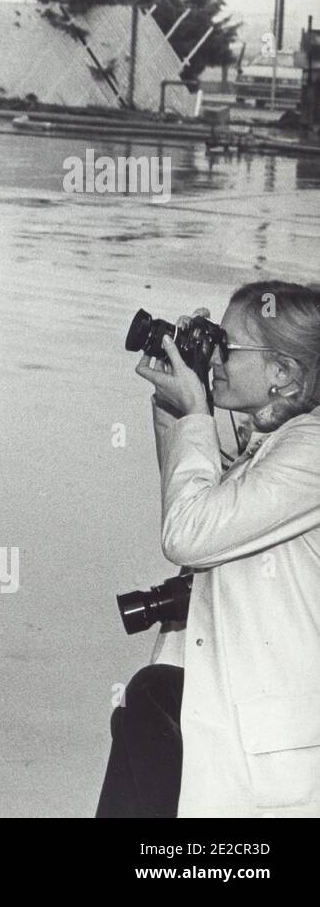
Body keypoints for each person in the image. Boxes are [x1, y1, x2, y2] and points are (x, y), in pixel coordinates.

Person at [98, 280, 320, 817]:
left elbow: (188, 532)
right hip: (199, 708)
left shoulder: (311, 449)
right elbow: (196, 511)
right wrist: (175, 409)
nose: (215, 355)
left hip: (256, 749)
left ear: (283, 373)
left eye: (229, 345)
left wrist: (196, 415)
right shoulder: (278, 443)